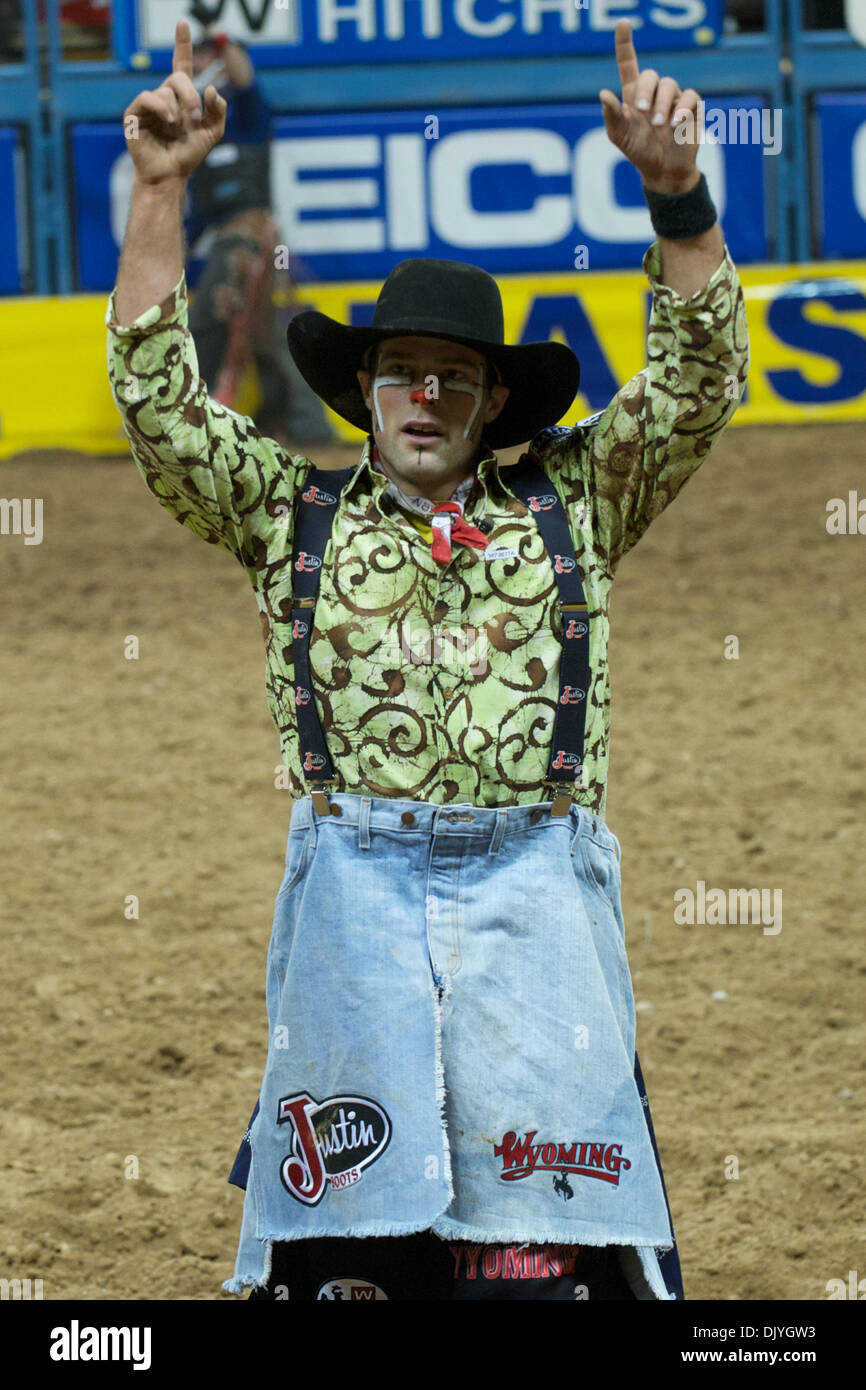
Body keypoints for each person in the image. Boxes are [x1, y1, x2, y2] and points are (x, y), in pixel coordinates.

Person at [107, 18, 748, 1301]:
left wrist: (676, 192)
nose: (421, 396)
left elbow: (695, 381)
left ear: (494, 398)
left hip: (535, 888)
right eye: (399, 372)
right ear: (363, 392)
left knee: (535, 1266)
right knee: (351, 1265)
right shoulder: (284, 513)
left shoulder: (577, 502)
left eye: (451, 376)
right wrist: (164, 189)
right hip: (351, 893)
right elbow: (161, 405)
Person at [184, 27, 332, 447]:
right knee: (267, 335)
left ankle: (193, 419)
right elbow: (197, 219)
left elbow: (244, 78)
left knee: (212, 328)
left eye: (203, 57)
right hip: (236, 243)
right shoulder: (199, 143)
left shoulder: (245, 115)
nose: (198, 64)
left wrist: (223, 41)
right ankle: (298, 423)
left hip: (251, 244)